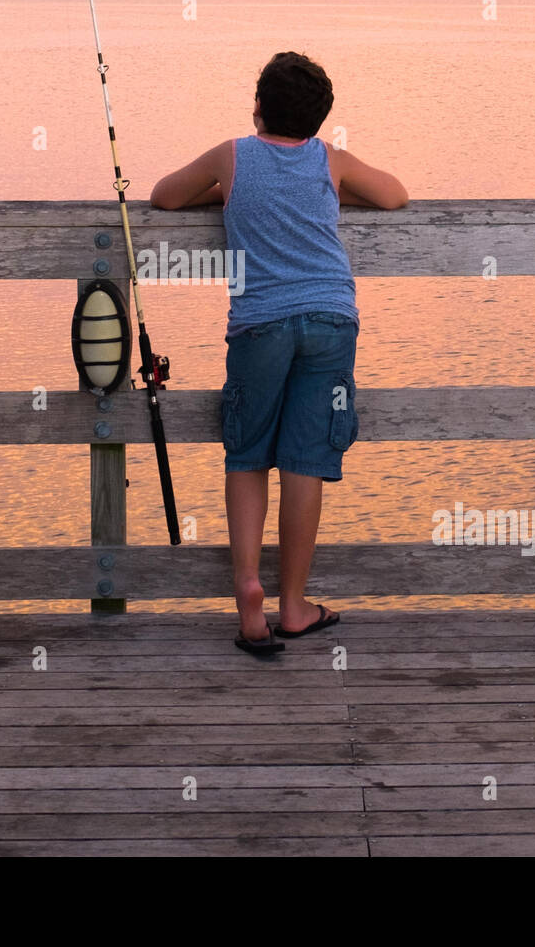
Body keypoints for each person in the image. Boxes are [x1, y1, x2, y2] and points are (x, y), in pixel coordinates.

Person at [150, 51, 408, 656]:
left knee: (246, 455)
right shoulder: (330, 161)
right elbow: (395, 195)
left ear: (258, 106)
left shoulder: (231, 156)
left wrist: (226, 196)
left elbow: (164, 197)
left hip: (259, 327)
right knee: (304, 459)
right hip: (329, 320)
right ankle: (294, 605)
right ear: (319, 119)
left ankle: (248, 595)